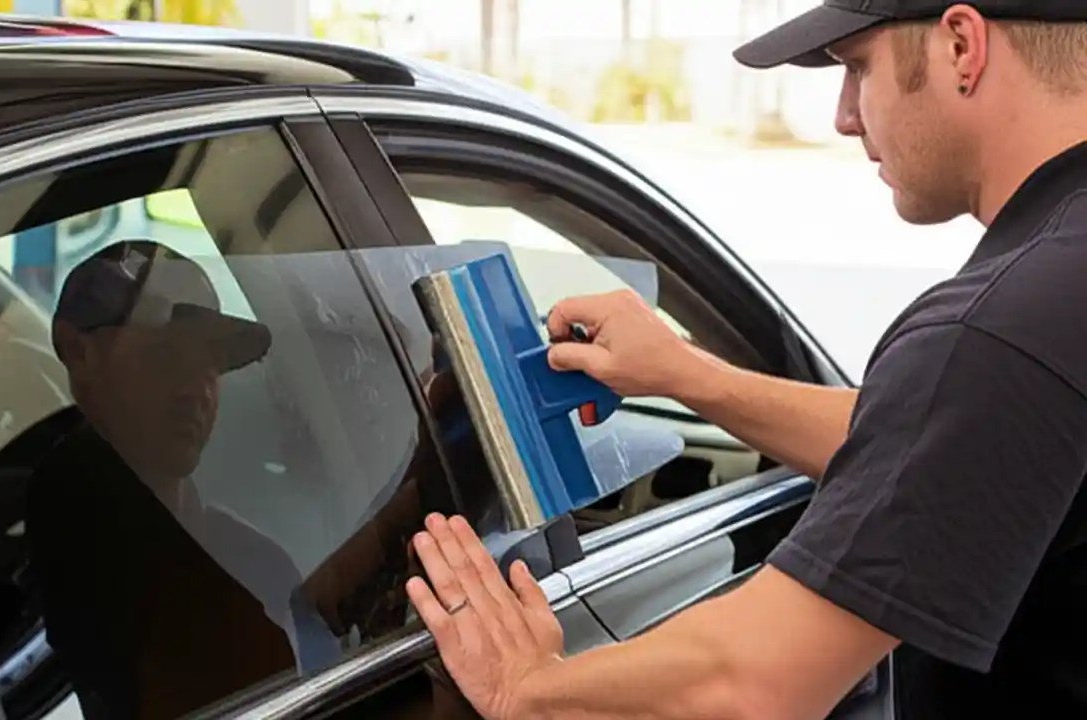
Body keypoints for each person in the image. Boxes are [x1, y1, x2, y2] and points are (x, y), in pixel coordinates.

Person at [404, 2, 1087, 719]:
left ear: (961, 47)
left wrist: (528, 689)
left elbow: (751, 684)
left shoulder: (998, 328)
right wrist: (688, 374)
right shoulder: (1053, 298)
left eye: (858, 68)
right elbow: (946, 442)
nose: (844, 116)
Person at [26, 240, 442, 719]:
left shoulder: (241, 549)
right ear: (80, 352)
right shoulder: (85, 522)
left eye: (212, 363)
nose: (197, 388)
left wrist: (405, 509)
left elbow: (307, 621)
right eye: (165, 354)